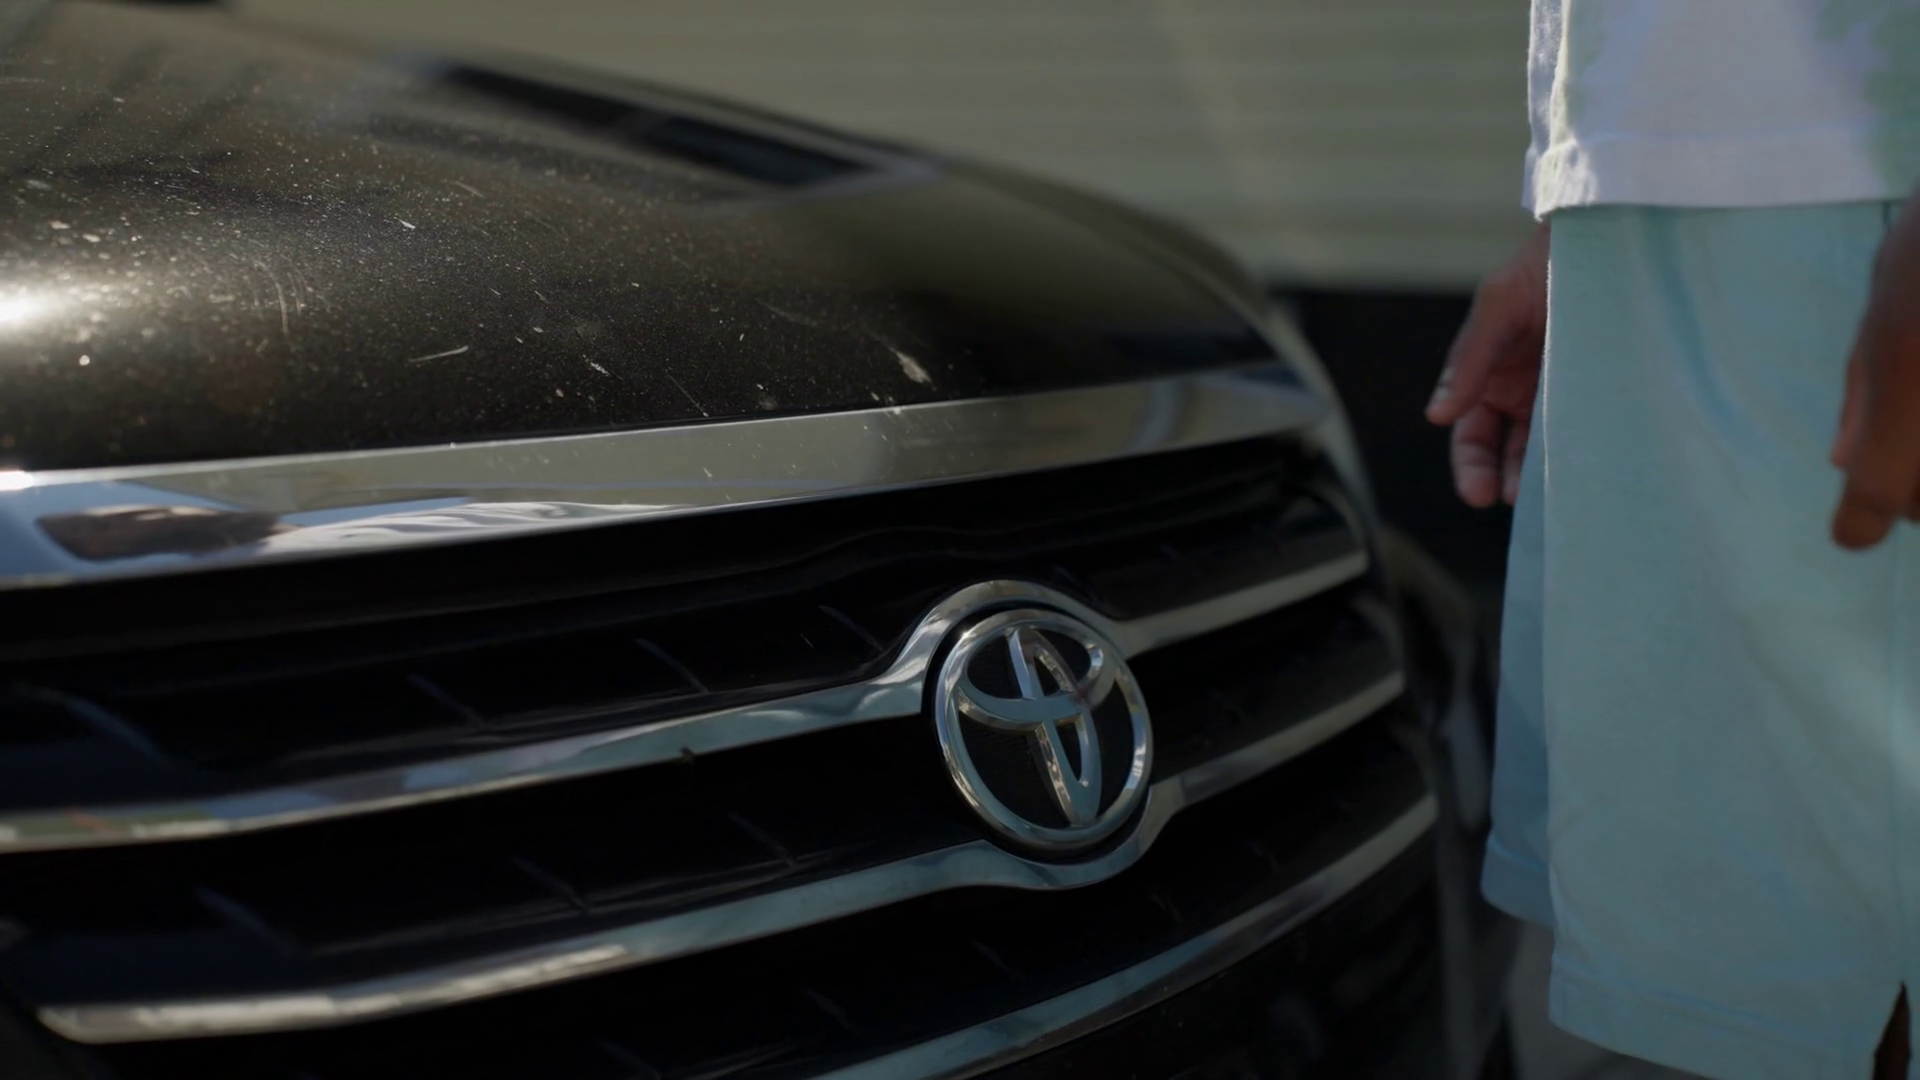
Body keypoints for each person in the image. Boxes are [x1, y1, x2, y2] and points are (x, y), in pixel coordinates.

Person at [1425, 3, 1920, 1077]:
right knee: (1757, 1007)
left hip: (1850, 191)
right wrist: (1577, 221)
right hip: (1673, 211)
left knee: (1856, 993)